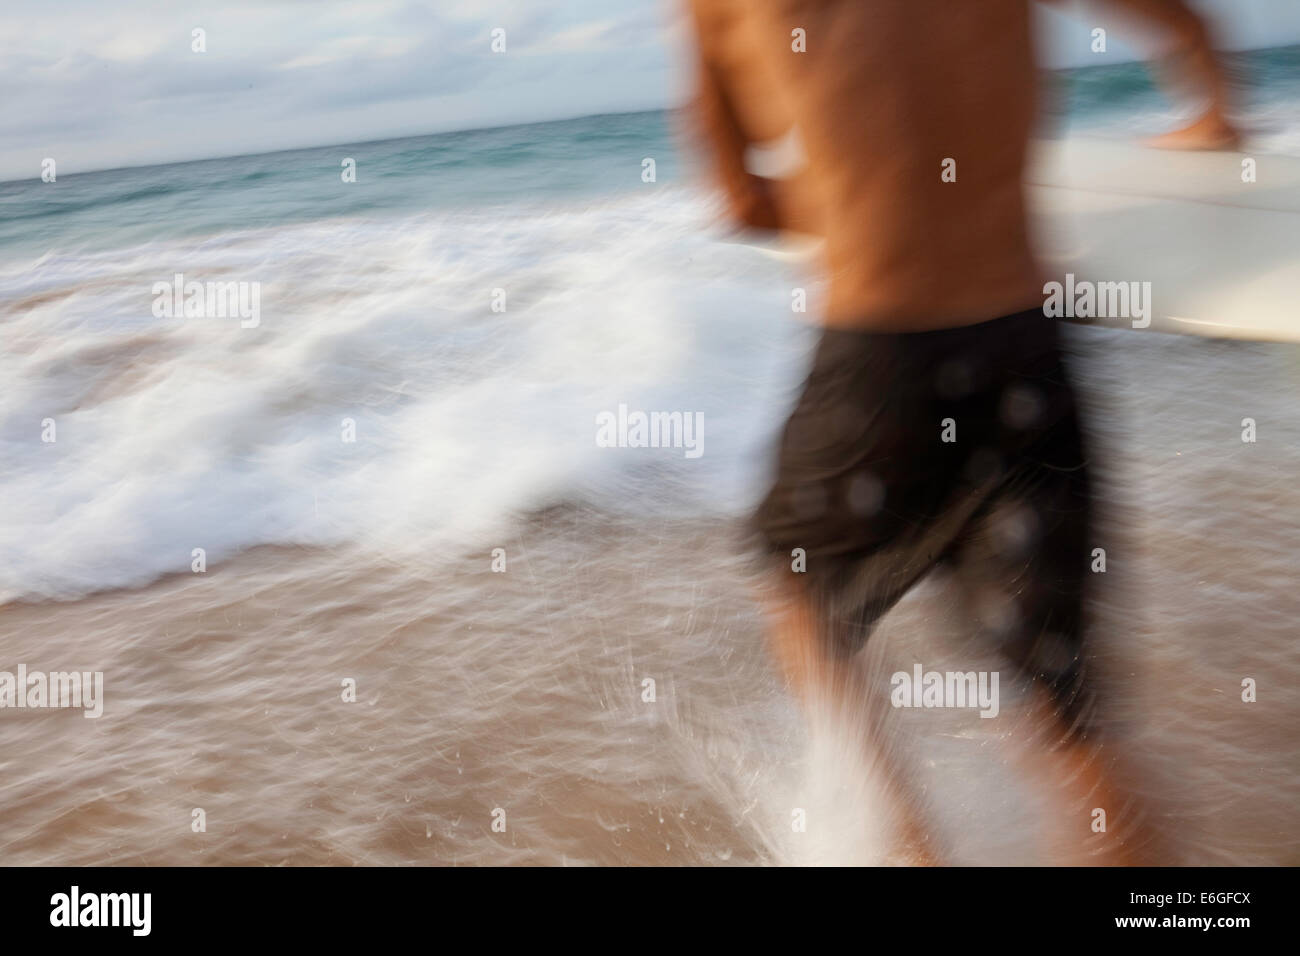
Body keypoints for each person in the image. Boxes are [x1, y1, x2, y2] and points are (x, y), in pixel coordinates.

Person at [684, 0, 1239, 864]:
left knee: (795, 585)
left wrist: (866, 198)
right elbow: (1181, 22)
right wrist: (1214, 113)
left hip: (880, 364)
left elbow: (742, 197)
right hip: (1028, 350)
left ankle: (905, 840)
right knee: (1070, 719)